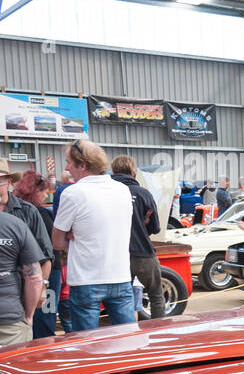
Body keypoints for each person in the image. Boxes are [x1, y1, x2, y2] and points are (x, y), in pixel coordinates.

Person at [51, 139, 135, 331]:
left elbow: (57, 242)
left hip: (86, 279)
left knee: (87, 345)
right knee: (129, 340)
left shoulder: (73, 193)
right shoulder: (122, 190)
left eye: (69, 163)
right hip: (120, 275)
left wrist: (73, 234)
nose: (67, 168)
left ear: (82, 165)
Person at [110, 156, 166, 321]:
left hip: (117, 255)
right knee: (156, 294)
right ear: (133, 171)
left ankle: (125, 334)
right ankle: (160, 332)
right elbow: (155, 228)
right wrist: (143, 225)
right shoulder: (143, 194)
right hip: (143, 252)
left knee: (121, 299)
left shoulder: (108, 193)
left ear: (113, 171)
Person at [0, 168, 45, 346]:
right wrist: (28, 315)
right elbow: (34, 275)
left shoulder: (27, 212)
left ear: (10, 182)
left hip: (12, 313)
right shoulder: (16, 225)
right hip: (11, 315)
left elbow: (45, 258)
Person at [12, 171, 59, 337]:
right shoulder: (39, 213)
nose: (46, 195)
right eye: (44, 191)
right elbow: (52, 247)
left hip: (34, 273)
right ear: (34, 191)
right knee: (46, 317)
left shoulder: (15, 212)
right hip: (49, 274)